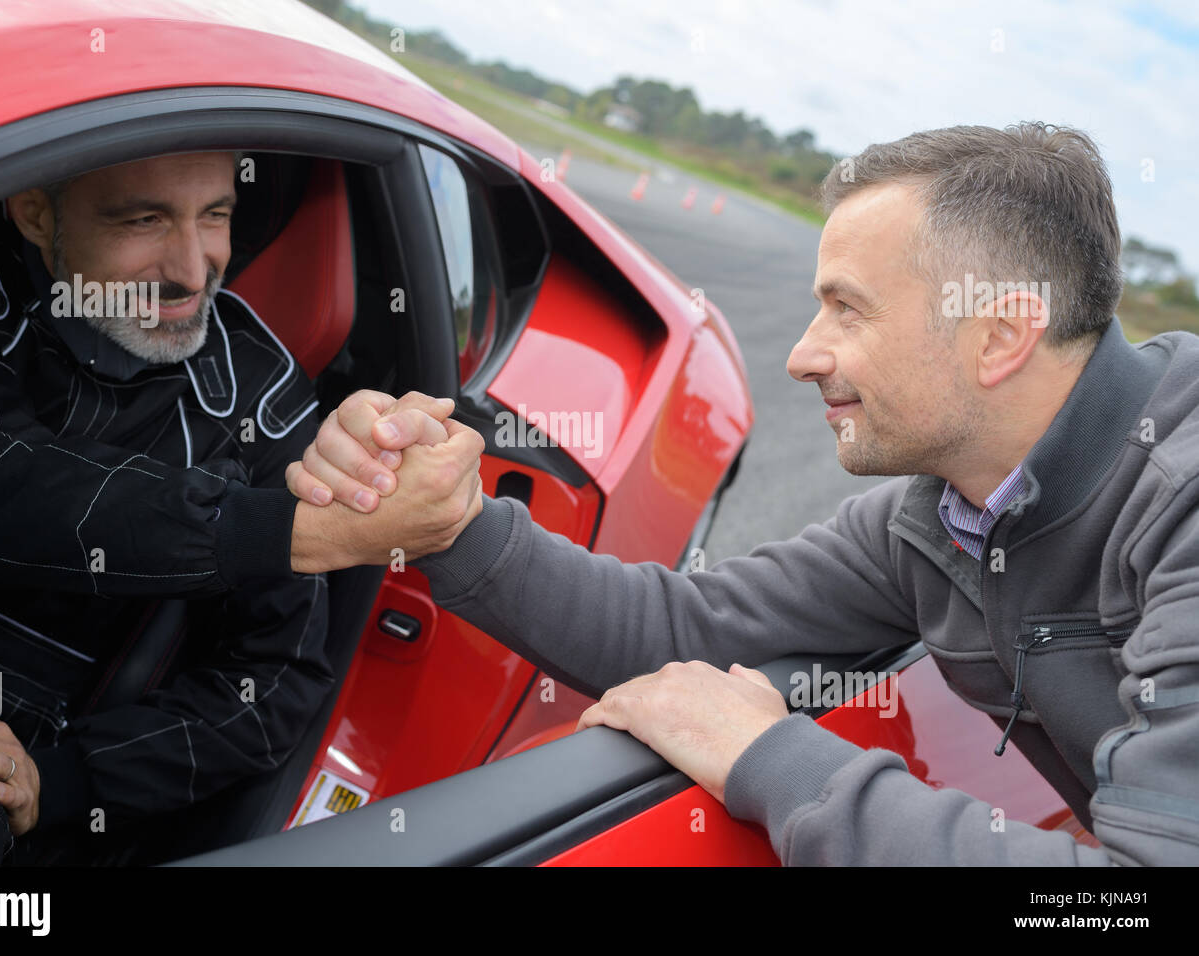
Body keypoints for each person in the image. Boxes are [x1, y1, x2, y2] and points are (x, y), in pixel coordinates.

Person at [286, 123, 1199, 865]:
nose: (803, 353)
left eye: (848, 309)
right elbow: (683, 629)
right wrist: (452, 523)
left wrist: (769, 756)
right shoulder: (942, 516)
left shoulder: (1181, 501)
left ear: (1000, 339)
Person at [0, 150, 483, 865]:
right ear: (36, 213)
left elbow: (274, 682)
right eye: (143, 219)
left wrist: (56, 778)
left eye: (215, 216)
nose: (189, 268)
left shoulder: (261, 401)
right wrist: (291, 531)